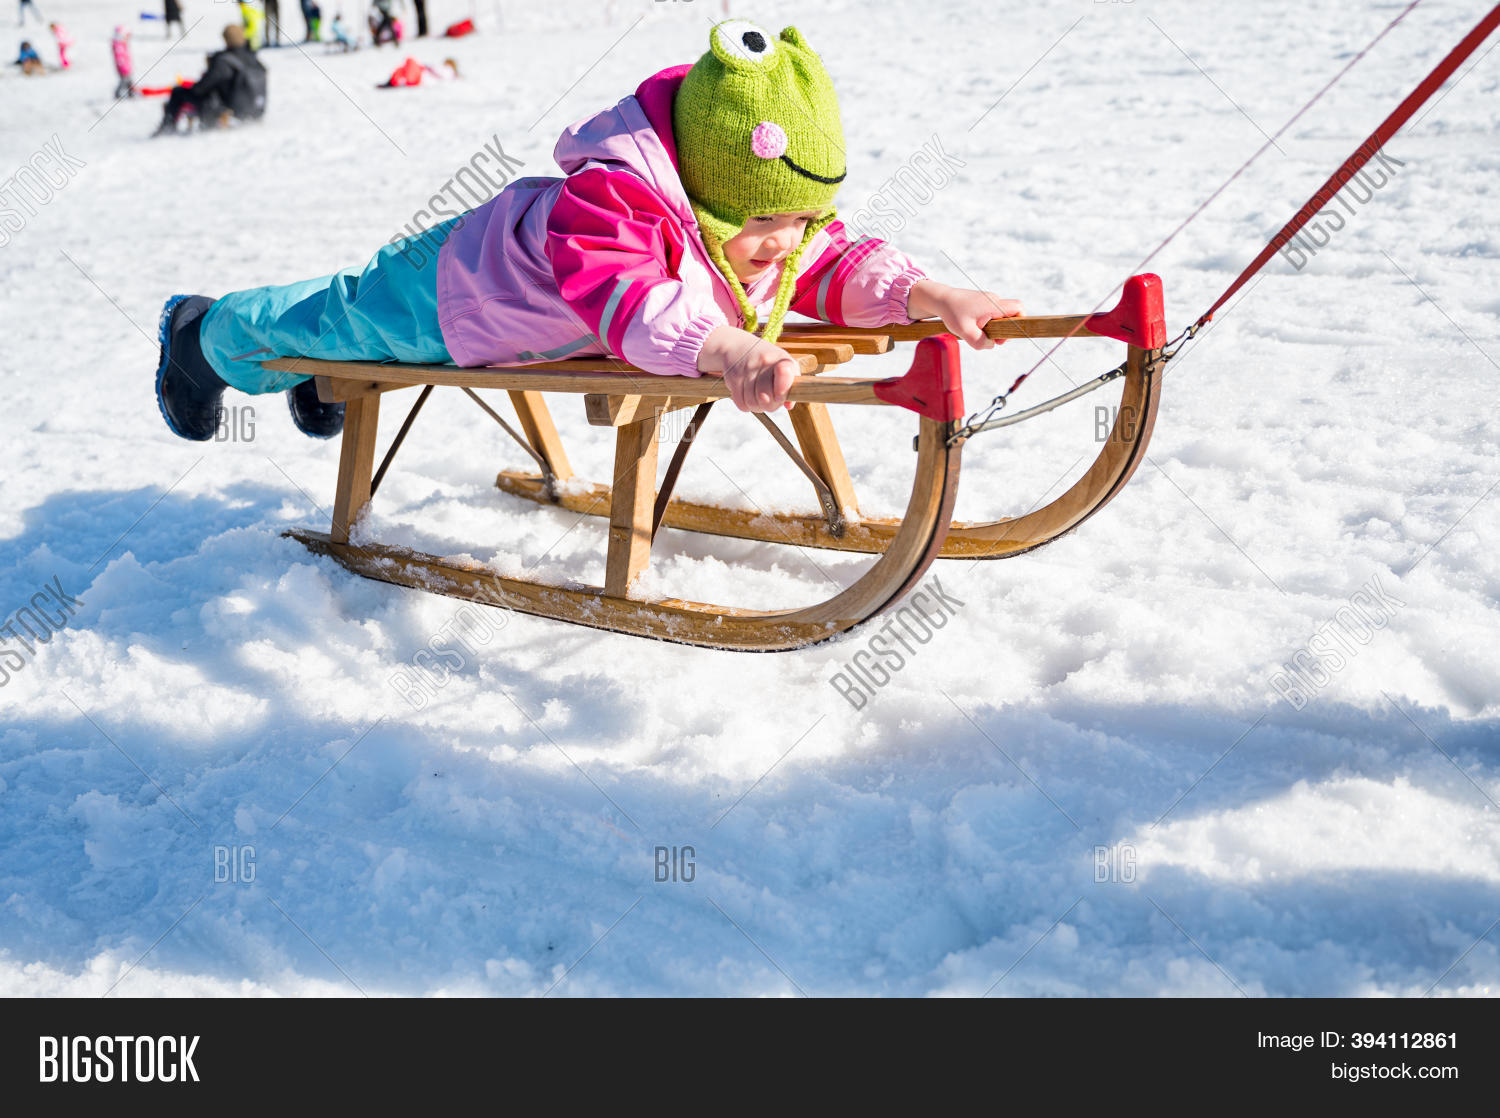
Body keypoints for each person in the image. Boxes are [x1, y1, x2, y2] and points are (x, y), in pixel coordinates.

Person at [152, 20, 1023, 441]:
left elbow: (832, 263)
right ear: (704, 192)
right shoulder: (611, 206)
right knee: (335, 320)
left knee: (337, 330)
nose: (783, 243)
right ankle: (205, 336)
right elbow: (634, 305)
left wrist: (930, 293)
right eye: (765, 223)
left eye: (799, 219)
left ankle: (318, 376)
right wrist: (728, 350)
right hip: (457, 296)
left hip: (511, 325)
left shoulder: (771, 228)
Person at [153, 24, 266, 135]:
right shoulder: (253, 59)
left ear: (226, 39)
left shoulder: (224, 60)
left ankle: (166, 129)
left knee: (178, 92)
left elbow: (201, 88)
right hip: (255, 109)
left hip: (226, 107)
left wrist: (210, 67)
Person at [111, 24, 134, 97]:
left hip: (126, 67)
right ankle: (117, 93)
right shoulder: (118, 46)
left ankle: (131, 93)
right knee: (123, 81)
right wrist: (123, 66)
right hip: (123, 68)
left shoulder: (122, 44)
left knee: (129, 81)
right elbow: (119, 58)